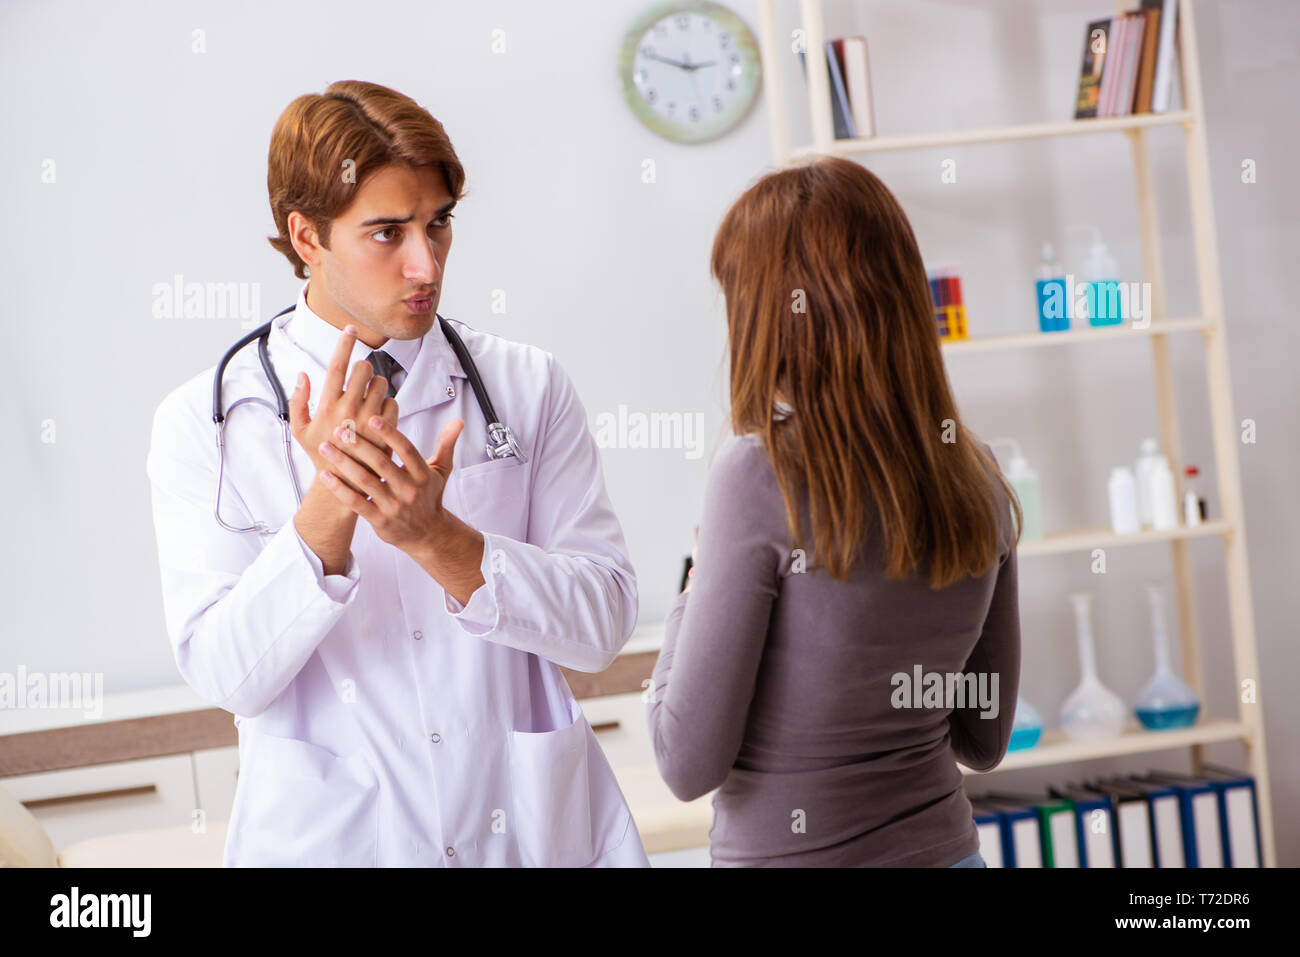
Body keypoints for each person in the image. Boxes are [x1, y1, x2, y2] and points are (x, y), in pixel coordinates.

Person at [145, 80, 647, 867]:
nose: (427, 262)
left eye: (438, 224)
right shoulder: (208, 423)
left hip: (519, 830)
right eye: (387, 233)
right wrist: (332, 501)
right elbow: (229, 673)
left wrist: (439, 537)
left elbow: (601, 627)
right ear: (306, 237)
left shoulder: (526, 384)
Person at [646, 156, 1021, 867]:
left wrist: (694, 587)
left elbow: (684, 762)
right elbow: (984, 739)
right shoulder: (977, 471)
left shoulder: (757, 474)